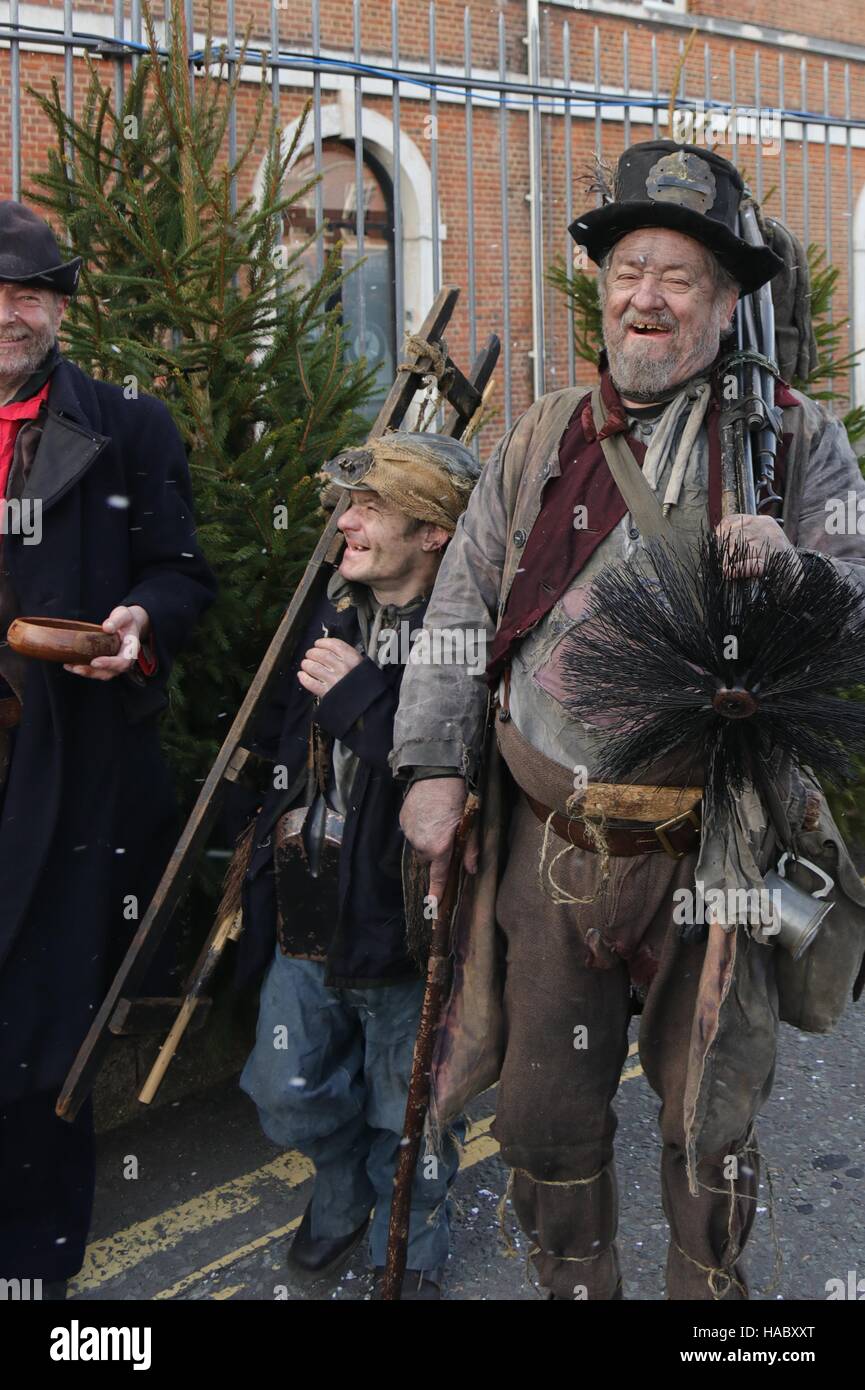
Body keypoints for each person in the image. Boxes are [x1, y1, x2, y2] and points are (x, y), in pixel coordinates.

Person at [392, 140, 865, 1300]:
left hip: (717, 841)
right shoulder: (539, 436)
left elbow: (858, 581)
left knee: (710, 1118)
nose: (646, 298)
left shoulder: (797, 439)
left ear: (724, 299)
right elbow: (460, 606)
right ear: (601, 289)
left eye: (680, 277)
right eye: (627, 272)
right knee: (548, 1123)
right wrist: (429, 765)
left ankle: (711, 1301)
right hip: (555, 842)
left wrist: (794, 565)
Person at [0, 201, 216, 1298]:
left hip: (71, 775)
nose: (10, 313)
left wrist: (135, 625)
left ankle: (34, 1266)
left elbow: (183, 575)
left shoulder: (130, 427)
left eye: (31, 292)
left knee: (51, 1031)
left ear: (61, 307)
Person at [236, 432, 480, 1300]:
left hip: (405, 922)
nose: (347, 523)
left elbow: (463, 792)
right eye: (351, 506)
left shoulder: (467, 638)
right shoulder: (335, 607)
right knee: (285, 1089)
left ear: (435, 534)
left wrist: (359, 700)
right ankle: (339, 1189)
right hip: (309, 903)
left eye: (371, 511)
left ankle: (408, 1230)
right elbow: (277, 734)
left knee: (408, 1108)